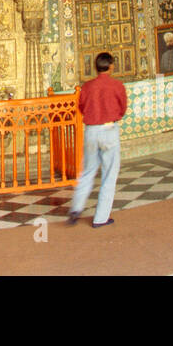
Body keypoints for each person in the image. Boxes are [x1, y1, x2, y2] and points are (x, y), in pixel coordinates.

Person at [67, 52, 128, 228]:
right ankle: (100, 218)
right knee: (109, 175)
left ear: (96, 67)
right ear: (111, 66)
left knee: (87, 171)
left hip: (91, 132)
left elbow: (81, 107)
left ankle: (76, 209)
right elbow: (122, 108)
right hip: (109, 130)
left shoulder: (87, 87)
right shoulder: (117, 85)